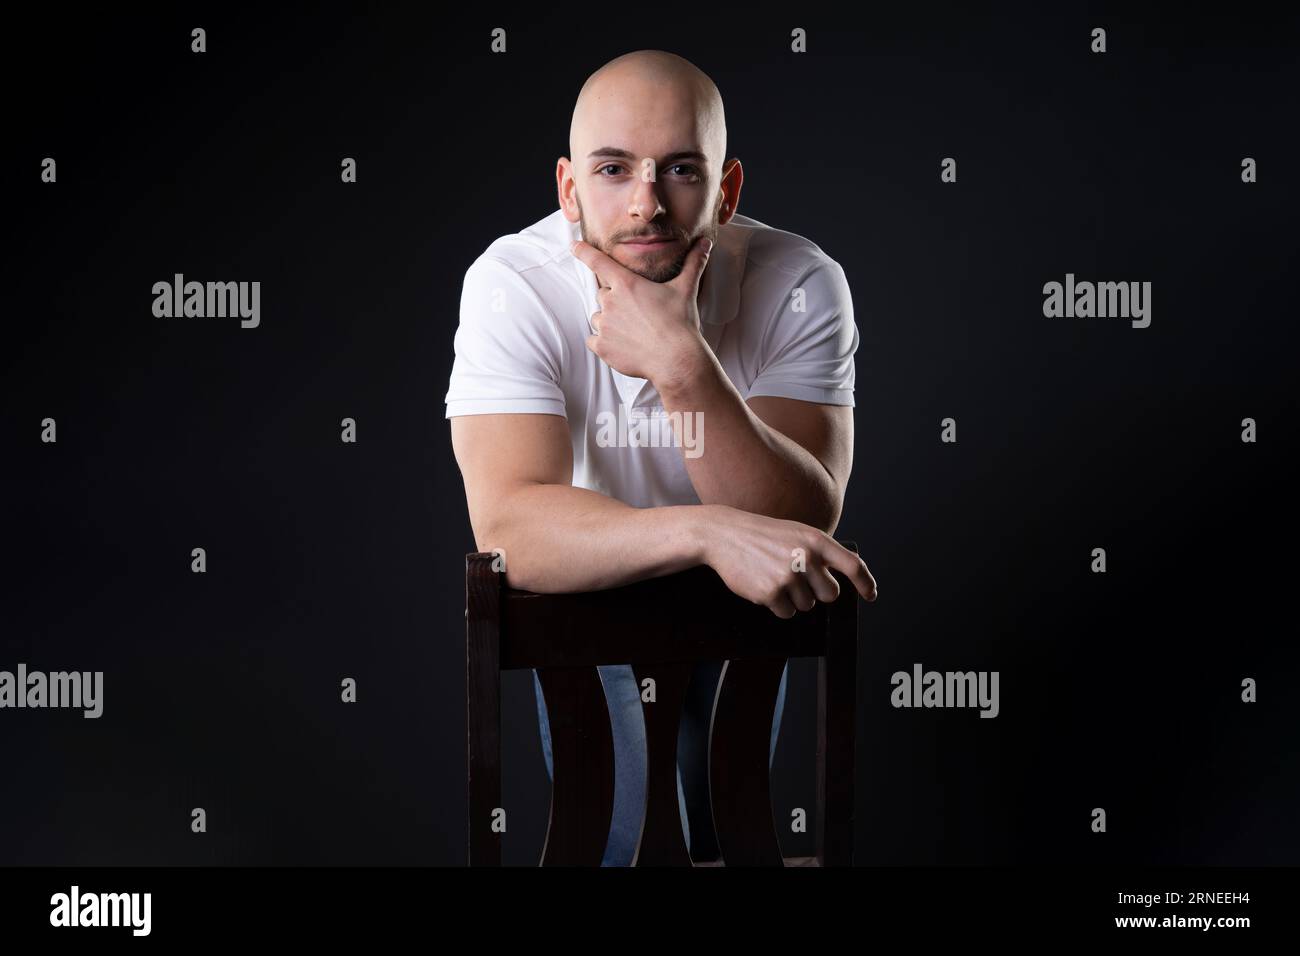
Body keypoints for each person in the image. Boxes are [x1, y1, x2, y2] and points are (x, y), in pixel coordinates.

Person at [445, 49, 877, 865]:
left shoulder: (798, 281)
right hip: (585, 597)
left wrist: (682, 363)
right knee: (626, 840)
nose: (647, 204)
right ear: (569, 189)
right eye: (614, 170)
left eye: (680, 169)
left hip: (745, 605)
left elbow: (799, 519)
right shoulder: (512, 285)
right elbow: (510, 525)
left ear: (727, 188)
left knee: (727, 837)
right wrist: (708, 532)